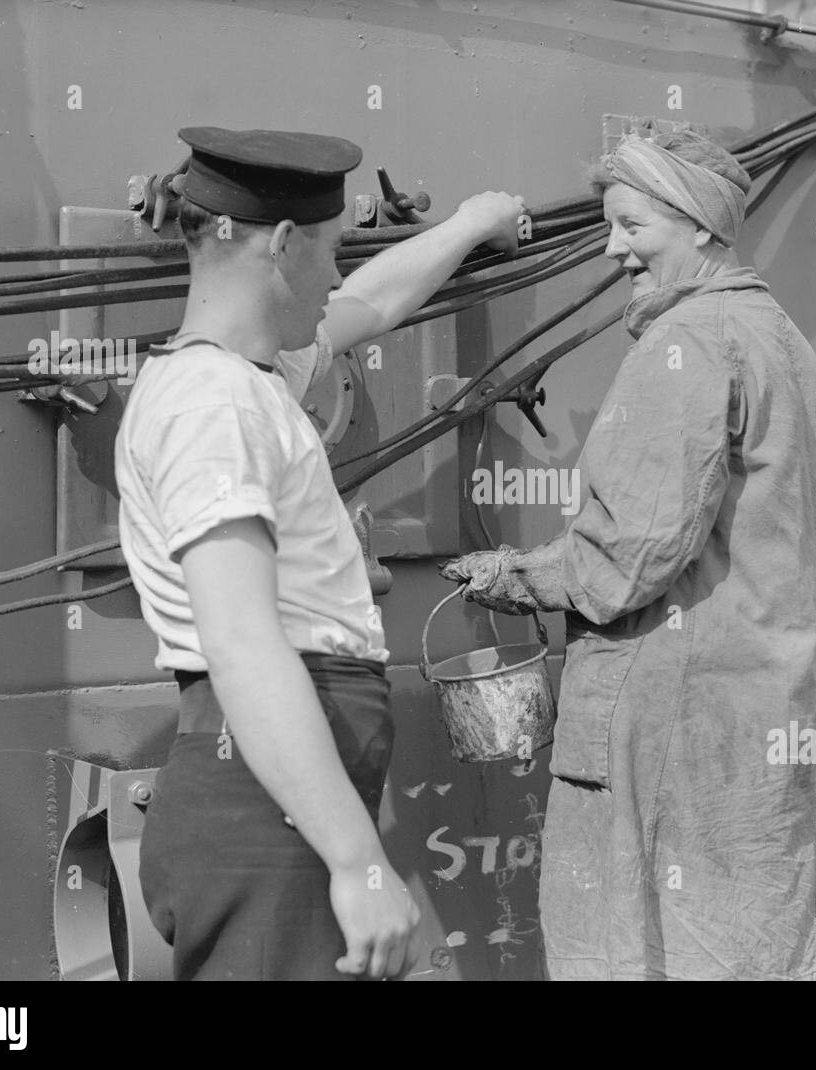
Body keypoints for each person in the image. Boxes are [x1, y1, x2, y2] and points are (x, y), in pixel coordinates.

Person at [442, 130, 816, 980]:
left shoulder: (690, 342)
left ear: (700, 225)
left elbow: (628, 560)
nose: (612, 248)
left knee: (646, 950)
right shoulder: (778, 334)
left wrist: (514, 577)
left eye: (632, 225)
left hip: (684, 728)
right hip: (765, 716)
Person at [114, 125, 523, 980]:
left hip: (280, 789)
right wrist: (357, 861)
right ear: (287, 245)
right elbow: (242, 643)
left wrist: (472, 224)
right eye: (331, 251)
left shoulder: (247, 378)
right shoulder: (211, 408)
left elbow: (371, 303)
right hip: (264, 799)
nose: (337, 273)